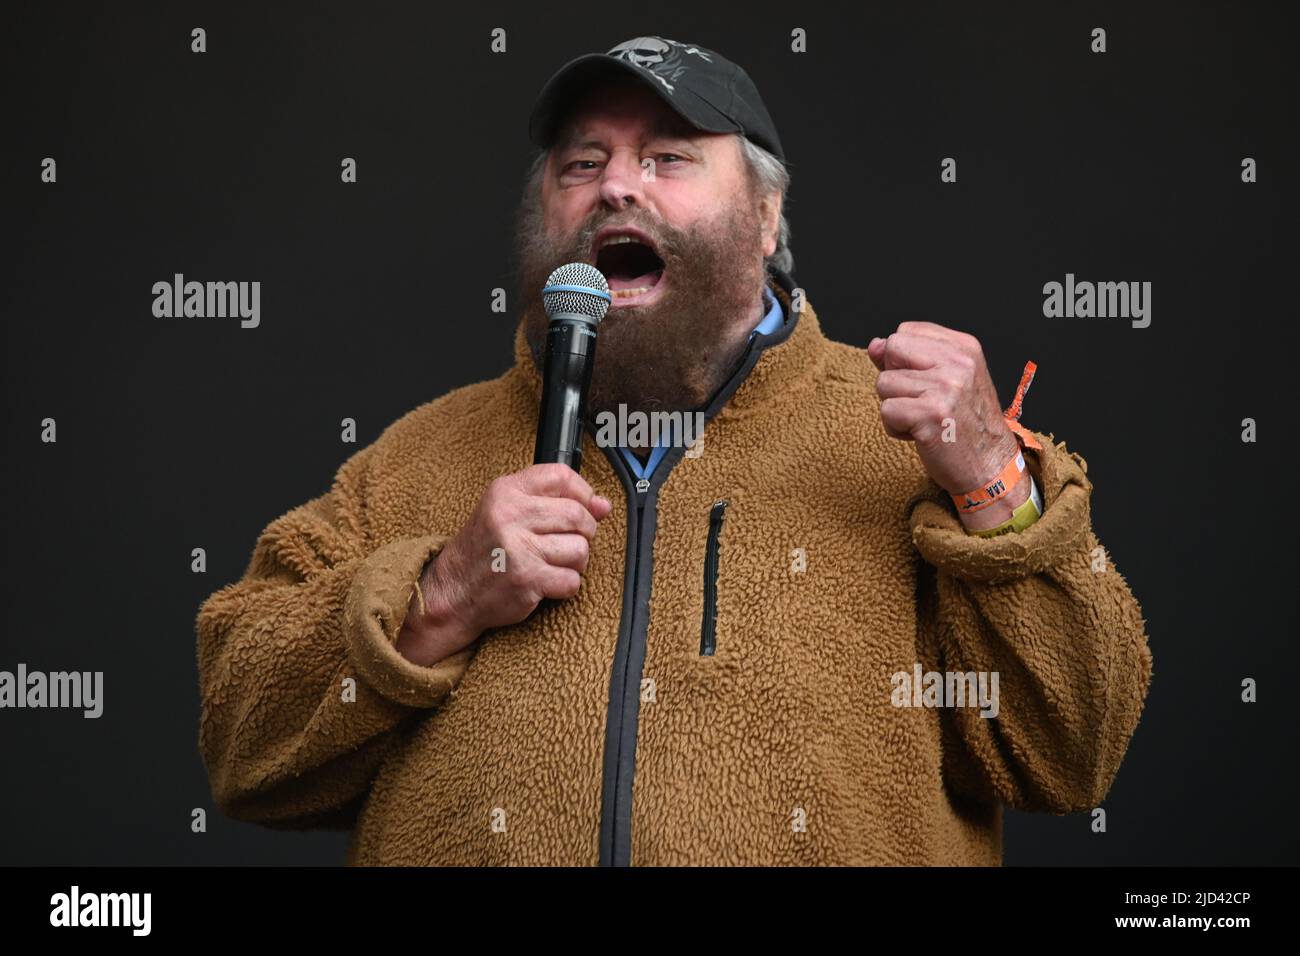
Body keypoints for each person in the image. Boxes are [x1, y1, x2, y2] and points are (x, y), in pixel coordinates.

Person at [196, 35, 1153, 866]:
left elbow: (1072, 750)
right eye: (582, 165)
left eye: (668, 158)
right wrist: (437, 597)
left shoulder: (908, 444)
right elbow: (241, 743)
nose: (616, 184)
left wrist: (994, 483)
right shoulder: (413, 461)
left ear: (768, 220)